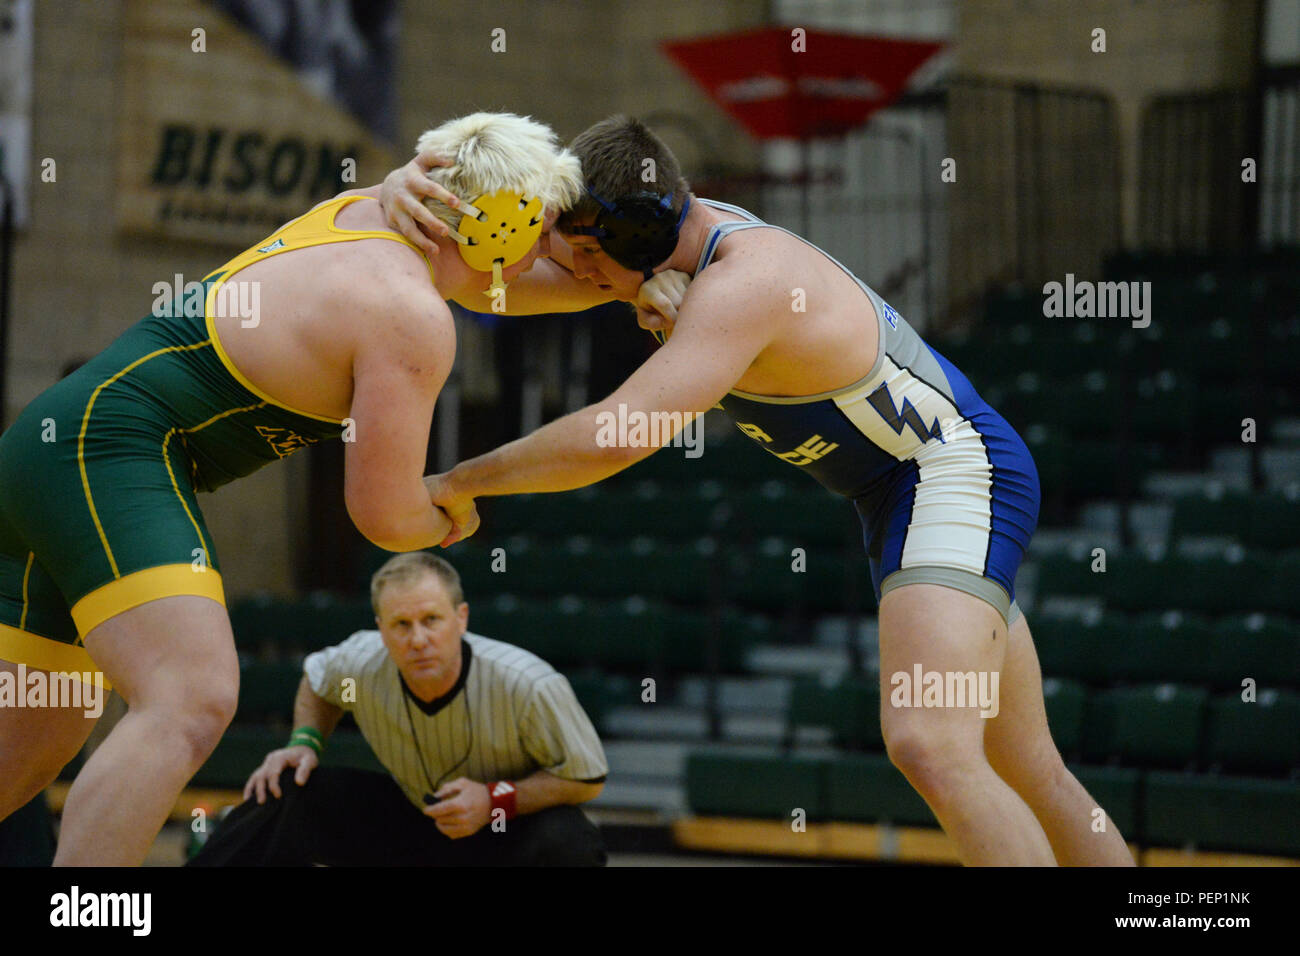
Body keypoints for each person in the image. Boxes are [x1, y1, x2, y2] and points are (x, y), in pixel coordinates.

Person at [383, 115, 1136, 867]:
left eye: (584, 254)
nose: (572, 270)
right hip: (898, 494)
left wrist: (459, 479)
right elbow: (489, 289)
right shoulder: (651, 250)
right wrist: (397, 202)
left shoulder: (748, 280)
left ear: (642, 238)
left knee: (930, 742)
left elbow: (614, 437)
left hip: (949, 474)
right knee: (1024, 763)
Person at [0, 111, 633, 865]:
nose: (542, 265)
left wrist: (619, 290)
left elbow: (502, 286)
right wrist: (453, 507)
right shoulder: (413, 316)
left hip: (46, 450)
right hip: (110, 448)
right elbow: (382, 515)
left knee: (36, 740)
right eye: (536, 245)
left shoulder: (365, 213)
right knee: (190, 699)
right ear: (489, 230)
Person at [188, 551, 608, 866]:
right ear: (381, 629)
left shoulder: (528, 686)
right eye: (402, 625)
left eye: (432, 620)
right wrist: (305, 742)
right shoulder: (361, 669)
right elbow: (323, 687)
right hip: (409, 823)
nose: (418, 639)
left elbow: (584, 779)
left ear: (461, 619)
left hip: (501, 830)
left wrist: (494, 801)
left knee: (569, 841)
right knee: (285, 788)